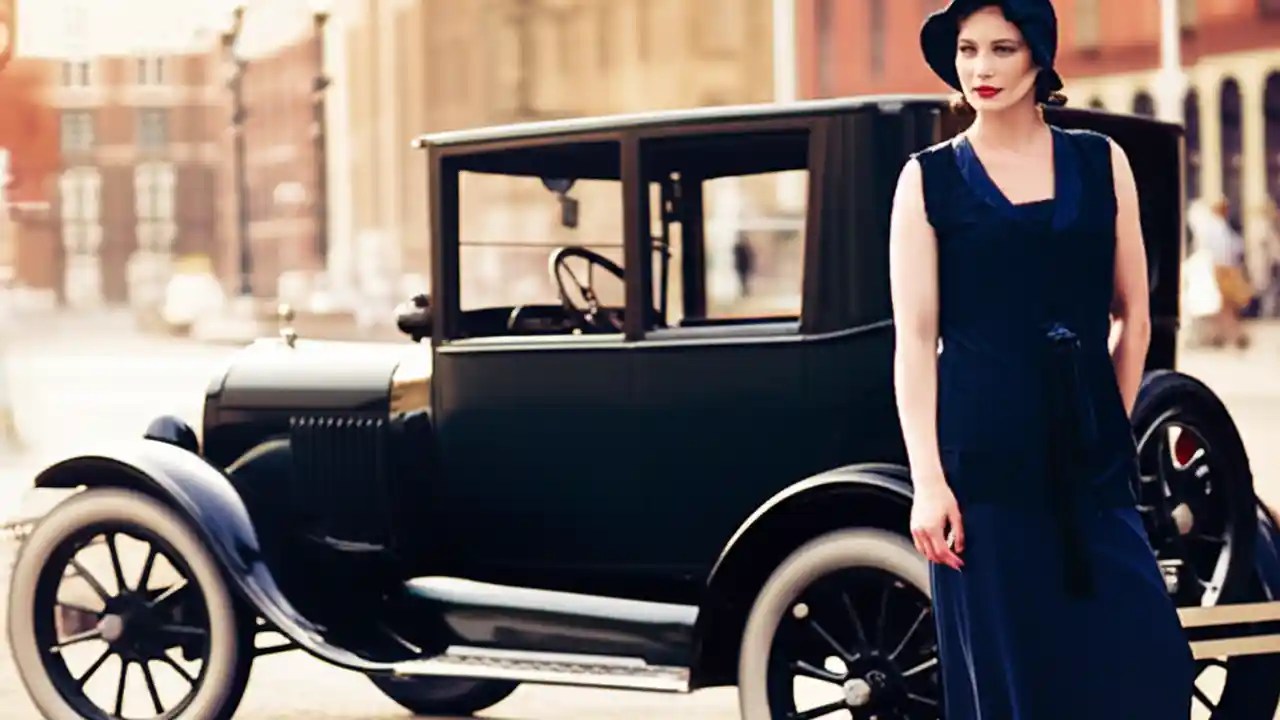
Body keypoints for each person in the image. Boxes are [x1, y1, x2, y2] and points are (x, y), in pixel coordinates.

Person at [888, 1, 1195, 718]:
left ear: (1039, 57)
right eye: (968, 51)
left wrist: (1107, 433)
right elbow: (914, 341)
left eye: (1002, 48)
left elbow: (1134, 318)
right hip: (983, 471)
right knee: (1015, 682)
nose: (982, 69)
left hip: (1092, 464)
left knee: (1150, 667)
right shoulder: (927, 179)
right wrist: (928, 485)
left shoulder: (1100, 159)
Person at [1200, 196, 1252, 346]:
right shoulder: (1218, 228)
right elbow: (1235, 249)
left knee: (1226, 306)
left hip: (1223, 271)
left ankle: (1224, 335)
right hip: (1224, 271)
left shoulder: (1217, 227)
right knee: (1227, 306)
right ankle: (1229, 335)